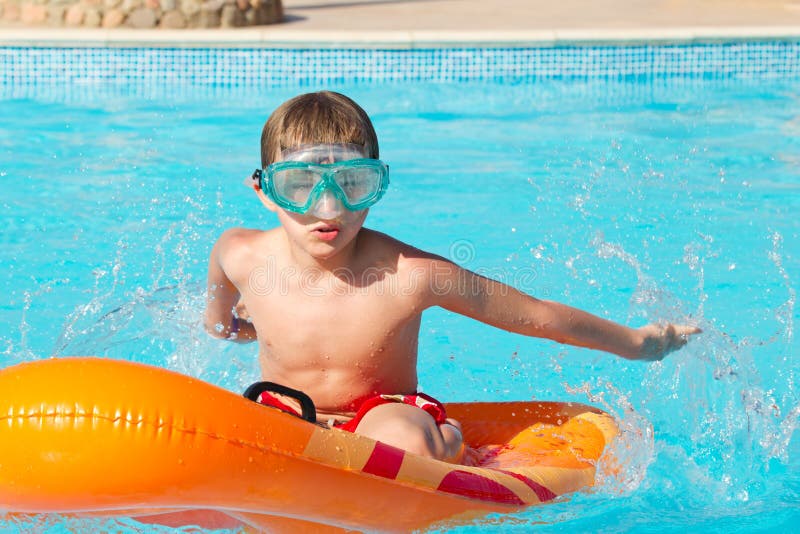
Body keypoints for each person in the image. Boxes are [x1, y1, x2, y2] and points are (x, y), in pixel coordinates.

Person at [205, 91, 700, 463]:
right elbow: (219, 317)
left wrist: (639, 343)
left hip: (383, 411)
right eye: (300, 185)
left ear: (378, 186)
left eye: (353, 183)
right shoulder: (241, 254)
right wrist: (233, 326)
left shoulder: (411, 277)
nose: (329, 208)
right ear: (265, 191)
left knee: (400, 443)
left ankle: (444, 438)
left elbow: (535, 317)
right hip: (286, 411)